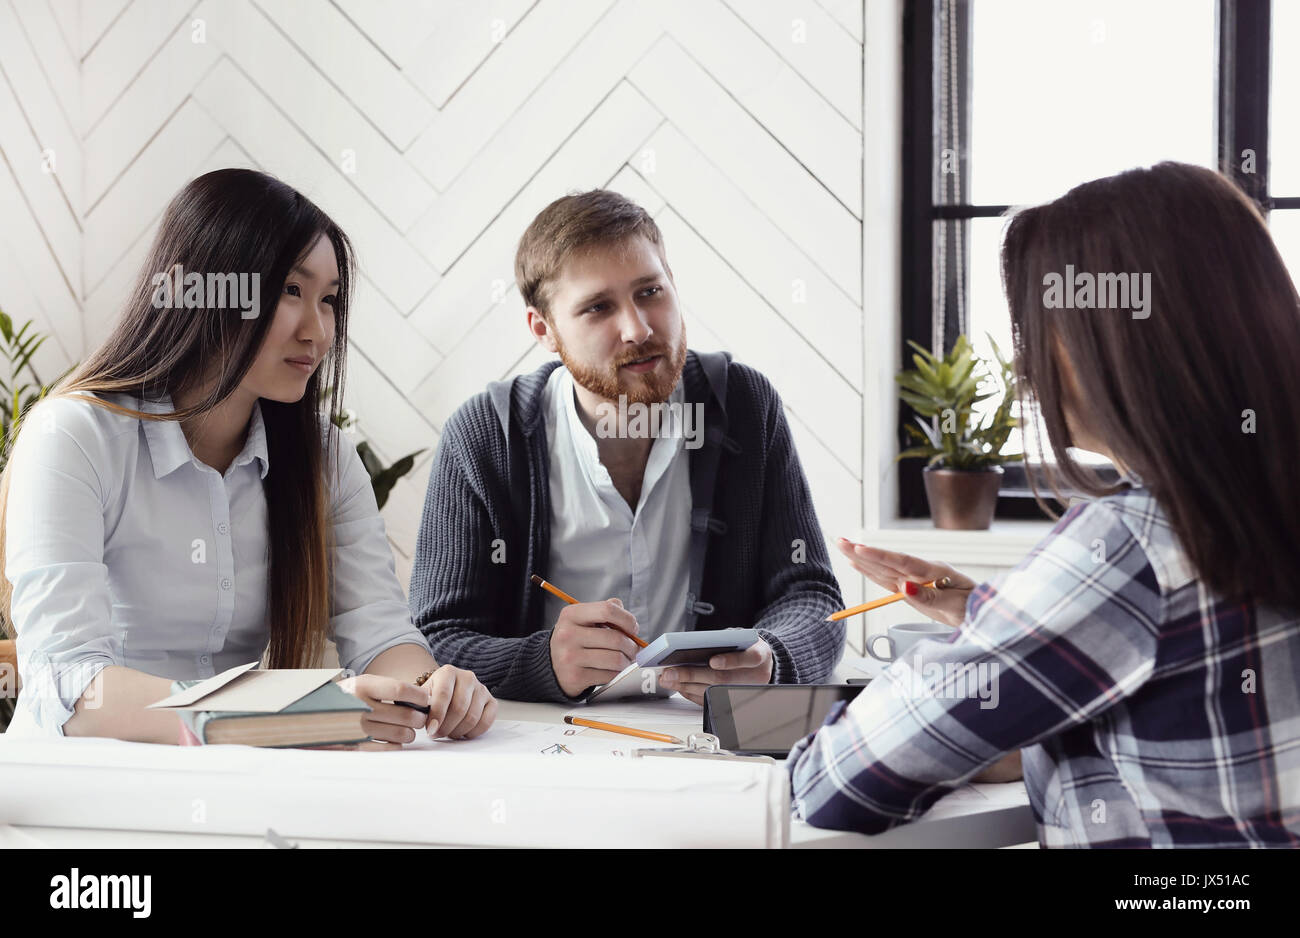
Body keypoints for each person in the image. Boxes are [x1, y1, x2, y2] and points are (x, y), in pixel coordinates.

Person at [790, 162, 1300, 847]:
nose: (1026, 370)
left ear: (1115, 344)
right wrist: (1000, 620)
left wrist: (984, 641)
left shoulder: (1133, 546)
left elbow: (840, 782)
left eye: (1036, 331)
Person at [1, 169, 496, 745]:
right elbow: (68, 683)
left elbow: (379, 631)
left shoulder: (325, 458)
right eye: (291, 290)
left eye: (330, 300)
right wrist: (282, 716)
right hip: (90, 779)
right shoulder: (75, 434)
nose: (317, 330)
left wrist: (432, 687)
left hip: (244, 771)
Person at [409, 189, 845, 704]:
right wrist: (541, 661)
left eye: (650, 292)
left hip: (711, 734)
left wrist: (772, 658)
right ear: (543, 330)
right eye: (598, 307)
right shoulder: (486, 434)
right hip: (546, 735)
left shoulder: (745, 406)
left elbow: (811, 596)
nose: (638, 329)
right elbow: (437, 636)